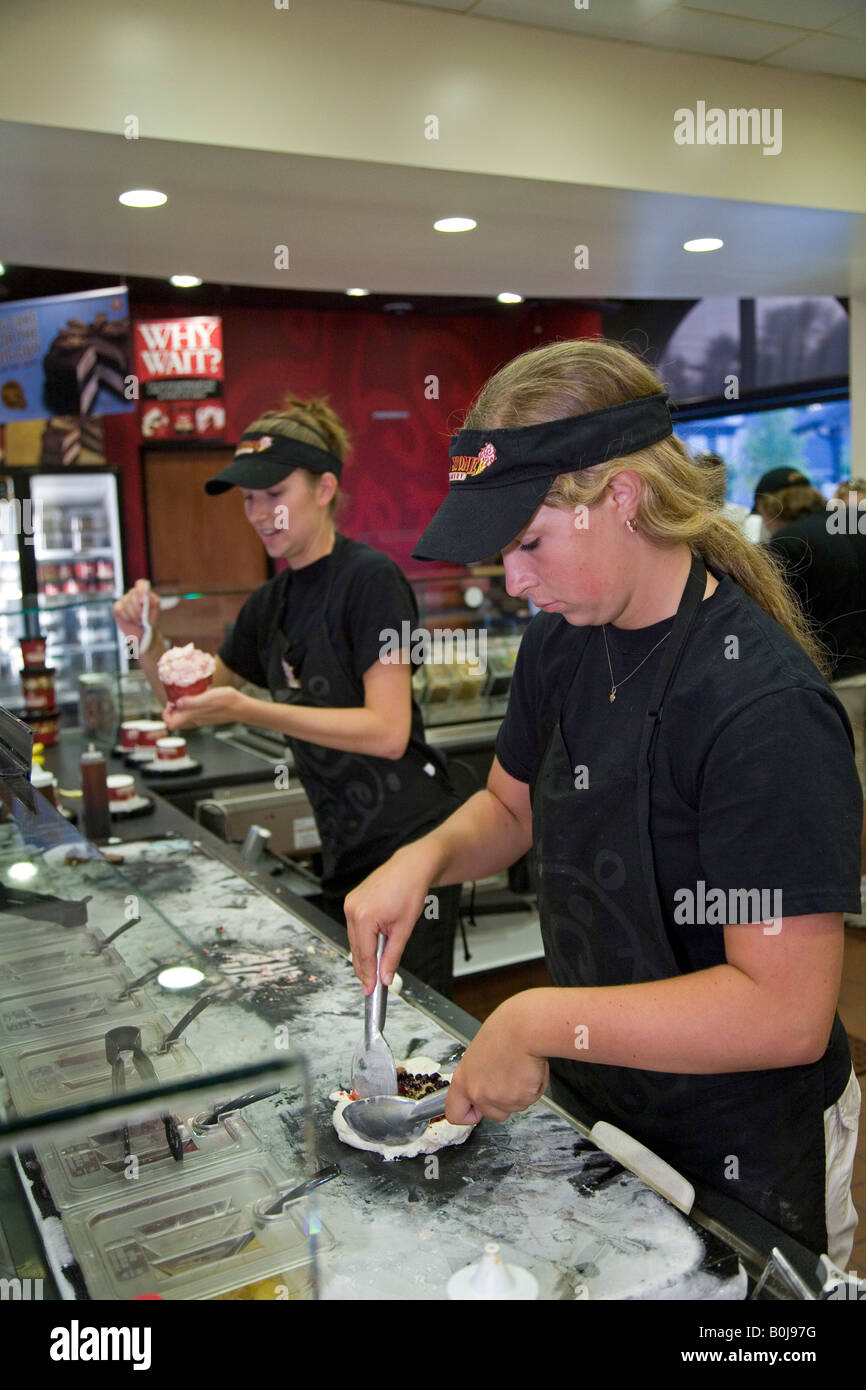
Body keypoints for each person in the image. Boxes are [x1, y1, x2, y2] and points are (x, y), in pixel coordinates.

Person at [344, 339, 862, 1264]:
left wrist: (537, 1017)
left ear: (619, 497)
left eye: (528, 543)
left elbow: (783, 1012)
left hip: (746, 1151)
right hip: (602, 1112)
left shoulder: (762, 705)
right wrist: (416, 861)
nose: (513, 581)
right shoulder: (561, 645)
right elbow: (509, 811)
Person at [113, 394, 462, 996]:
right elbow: (188, 708)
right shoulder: (268, 605)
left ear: (325, 488)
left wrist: (249, 708)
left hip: (412, 845)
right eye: (250, 498)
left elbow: (388, 731)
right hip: (344, 846)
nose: (258, 512)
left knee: (411, 1023)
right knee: (360, 1007)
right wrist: (145, 640)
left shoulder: (372, 580)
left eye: (275, 494)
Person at [759, 474, 866, 927]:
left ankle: (854, 893)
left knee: (849, 794)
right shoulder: (856, 530)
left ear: (770, 509)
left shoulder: (786, 546)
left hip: (837, 682)